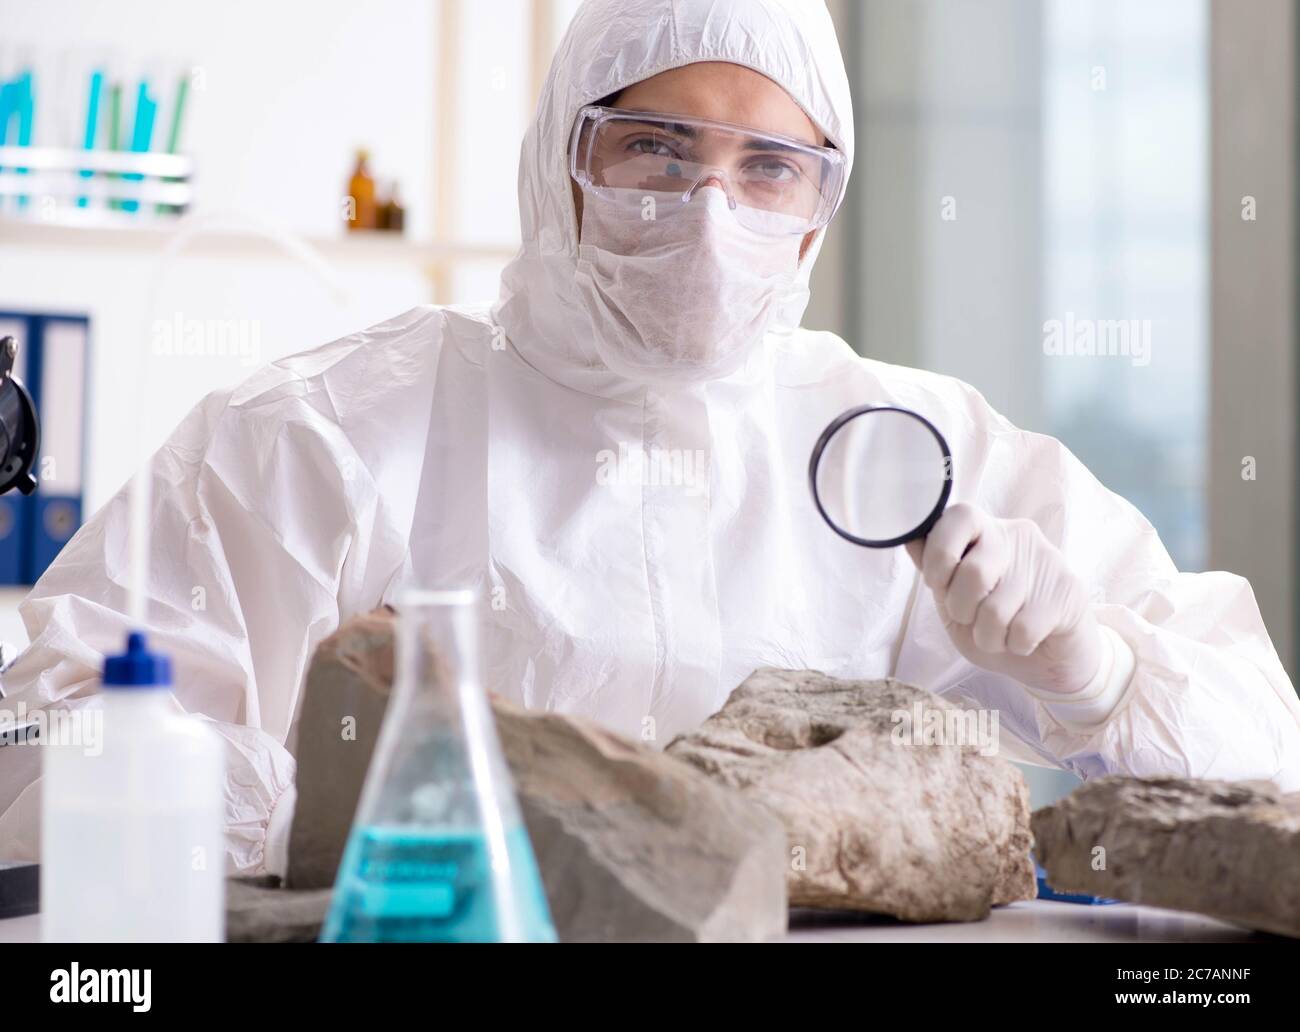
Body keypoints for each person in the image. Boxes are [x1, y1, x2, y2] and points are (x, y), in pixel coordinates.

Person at [2, 0, 1298, 877]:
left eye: (768, 166)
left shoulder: (912, 442)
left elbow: (1271, 758)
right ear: (565, 159)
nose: (710, 210)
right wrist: (380, 820)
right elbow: (43, 750)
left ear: (819, 201)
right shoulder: (326, 434)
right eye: (657, 149)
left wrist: (1097, 671)